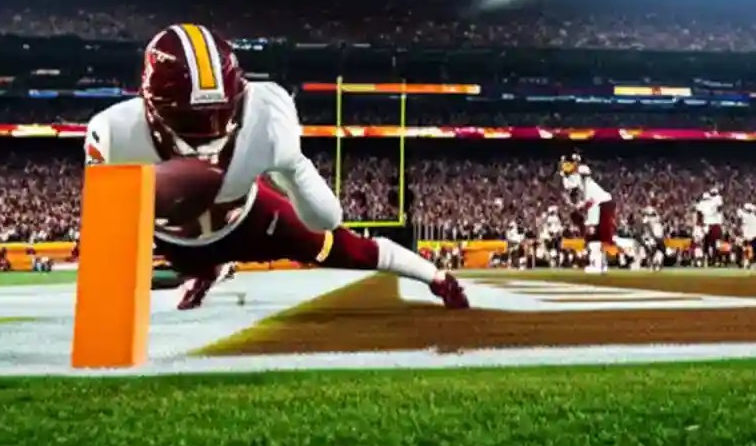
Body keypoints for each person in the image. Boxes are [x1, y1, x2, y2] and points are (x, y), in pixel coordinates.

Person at [83, 23, 468, 310]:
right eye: (193, 120)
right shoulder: (114, 134)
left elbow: (325, 216)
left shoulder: (264, 113)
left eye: (220, 114)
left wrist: (294, 167)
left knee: (348, 248)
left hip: (249, 217)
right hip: (175, 242)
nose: (210, 132)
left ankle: (437, 277)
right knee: (171, 266)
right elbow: (108, 238)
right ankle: (208, 270)